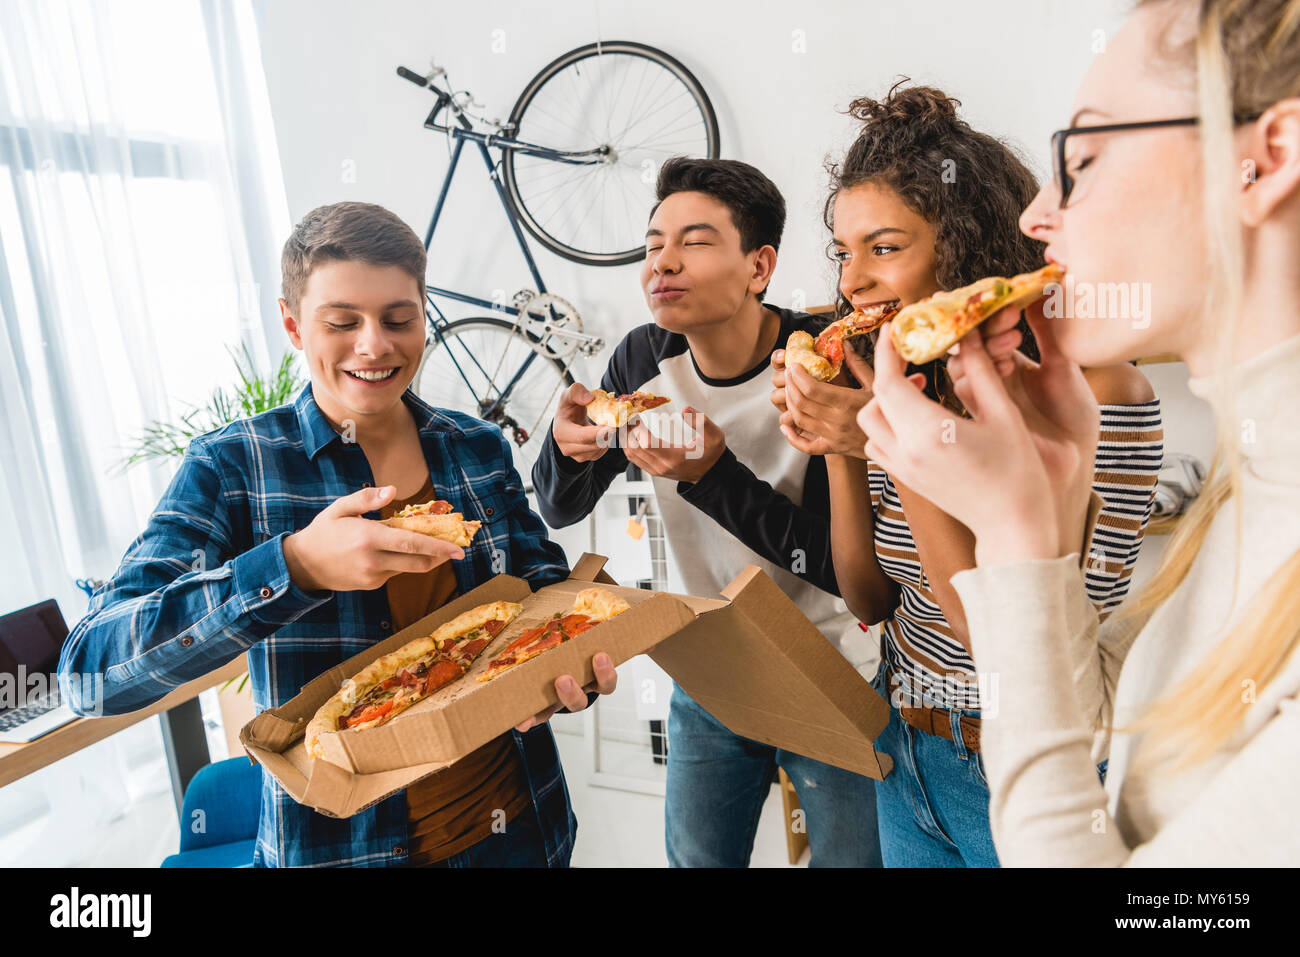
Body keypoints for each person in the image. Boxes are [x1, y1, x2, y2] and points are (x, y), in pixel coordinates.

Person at [856, 0, 1300, 865]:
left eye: (1084, 159)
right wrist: (1049, 519)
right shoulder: (1258, 486)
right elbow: (1106, 731)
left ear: (1266, 159)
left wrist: (1017, 544)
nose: (1037, 216)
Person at [57, 201, 616, 867]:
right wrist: (294, 567)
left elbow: (541, 587)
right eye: (342, 321)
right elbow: (90, 673)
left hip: (521, 828)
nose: (374, 344)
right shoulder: (235, 467)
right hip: (340, 851)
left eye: (398, 318)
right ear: (293, 323)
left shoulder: (476, 445)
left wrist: (563, 667)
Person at [769, 83, 1164, 866]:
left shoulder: (1099, 392)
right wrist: (844, 445)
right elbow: (870, 598)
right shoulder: (902, 390)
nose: (851, 283)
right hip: (905, 749)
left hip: (1024, 769)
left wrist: (881, 435)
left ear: (967, 247)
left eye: (884, 247)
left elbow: (999, 638)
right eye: (845, 253)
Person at [532, 157, 883, 867]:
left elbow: (840, 567)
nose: (663, 261)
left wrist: (712, 475)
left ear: (759, 266)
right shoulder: (643, 358)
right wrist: (567, 449)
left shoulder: (820, 357)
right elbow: (559, 507)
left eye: (693, 241)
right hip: (713, 667)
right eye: (654, 242)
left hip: (836, 663)